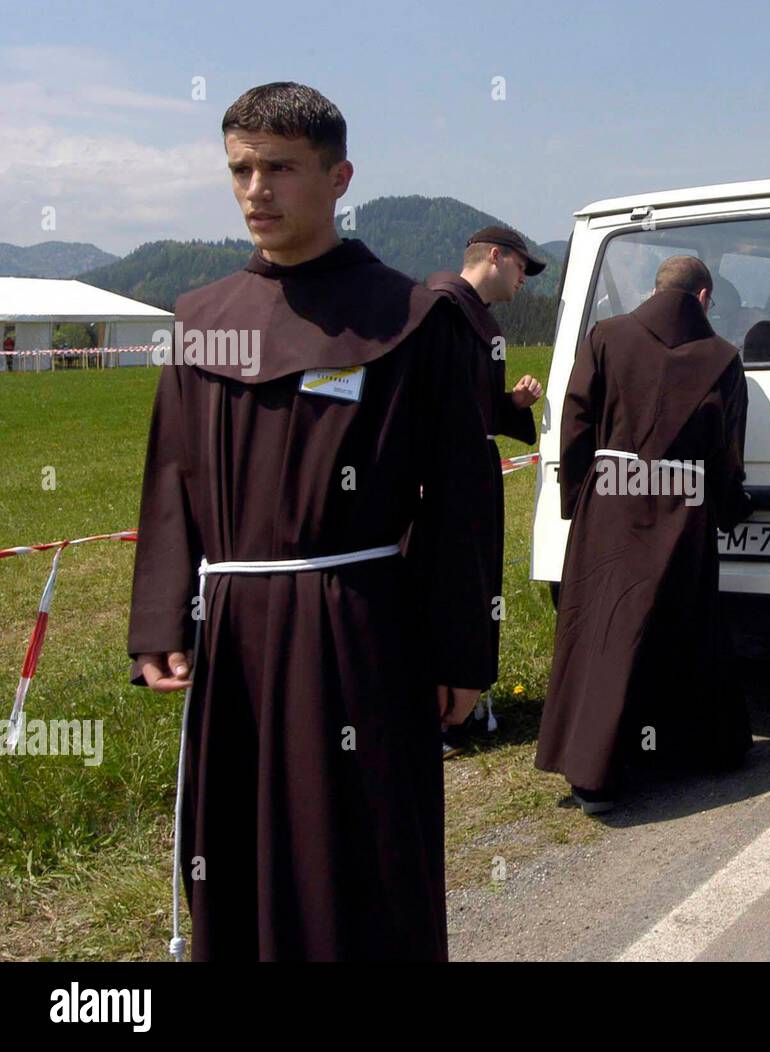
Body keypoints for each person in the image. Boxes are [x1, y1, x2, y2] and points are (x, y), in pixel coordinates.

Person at [127, 82, 495, 961]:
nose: (257, 189)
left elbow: (459, 504)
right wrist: (159, 619)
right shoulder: (200, 322)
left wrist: (461, 654)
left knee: (363, 851)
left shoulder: (411, 320)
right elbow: (171, 479)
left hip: (360, 629)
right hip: (235, 637)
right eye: (241, 169)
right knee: (233, 849)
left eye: (281, 168)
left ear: (339, 178)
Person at [536, 256, 753, 812]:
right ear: (703, 298)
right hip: (685, 508)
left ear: (657, 290)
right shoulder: (724, 358)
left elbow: (576, 420)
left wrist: (576, 502)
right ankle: (688, 747)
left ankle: (593, 773)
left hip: (609, 506)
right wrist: (731, 509)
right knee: (678, 630)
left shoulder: (605, 336)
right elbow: (726, 453)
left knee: (607, 632)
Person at [425, 227, 545, 753]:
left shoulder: (479, 321)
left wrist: (510, 405)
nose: (523, 280)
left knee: (474, 591)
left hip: (471, 482)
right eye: (520, 267)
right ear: (495, 257)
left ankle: (463, 707)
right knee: (448, 594)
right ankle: (443, 715)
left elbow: (473, 407)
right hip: (443, 489)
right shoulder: (440, 312)